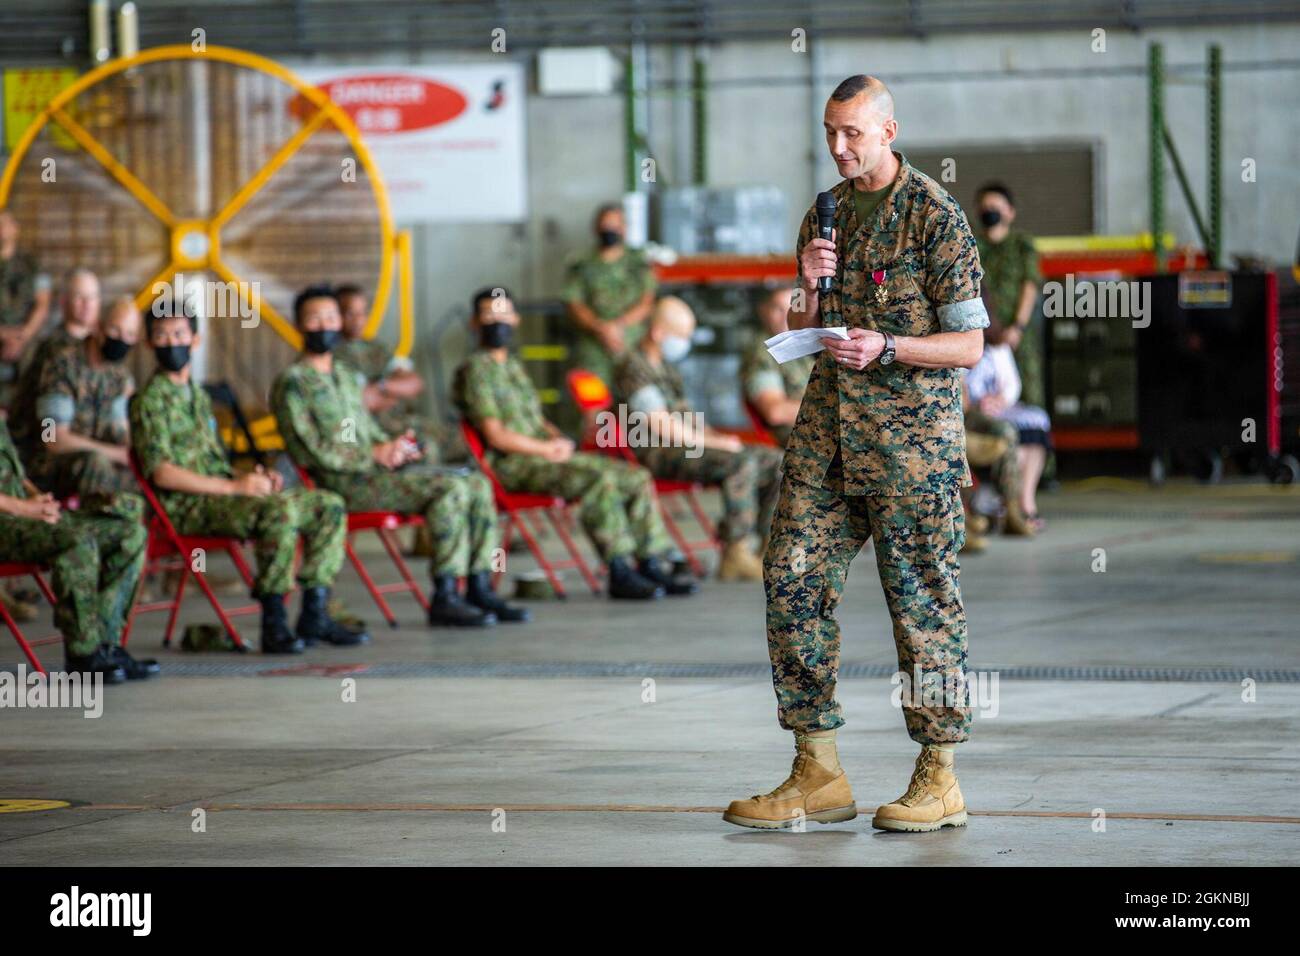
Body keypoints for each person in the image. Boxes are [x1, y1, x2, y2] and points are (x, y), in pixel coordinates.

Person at [725, 75, 987, 833]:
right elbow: (803, 318)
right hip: (826, 436)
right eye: (830, 132)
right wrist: (804, 290)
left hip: (910, 446)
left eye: (853, 134)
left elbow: (970, 343)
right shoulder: (826, 210)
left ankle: (939, 777)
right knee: (790, 576)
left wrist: (894, 345)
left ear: (889, 130)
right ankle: (817, 770)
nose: (839, 147)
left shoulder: (935, 217)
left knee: (921, 606)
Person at [272, 285, 528, 628]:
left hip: (375, 474)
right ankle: (445, 595)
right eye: (315, 319)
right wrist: (373, 454)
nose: (325, 326)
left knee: (477, 483)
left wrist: (396, 447)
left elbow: (366, 430)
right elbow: (311, 450)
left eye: (330, 318)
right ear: (299, 325)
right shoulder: (294, 383)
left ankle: (478, 586)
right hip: (339, 483)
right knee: (448, 490)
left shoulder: (345, 378)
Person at [129, 300, 367, 654]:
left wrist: (252, 478)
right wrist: (233, 487)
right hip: (185, 507)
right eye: (161, 336)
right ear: (149, 344)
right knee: (279, 513)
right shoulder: (149, 400)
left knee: (327, 505)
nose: (171, 343)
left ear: (195, 340)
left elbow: (212, 464)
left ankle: (315, 611)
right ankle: (274, 622)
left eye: (179, 334)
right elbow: (162, 473)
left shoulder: (196, 395)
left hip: (220, 495)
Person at [454, 287, 694, 600]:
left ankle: (650, 563)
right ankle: (619, 568)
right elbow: (496, 435)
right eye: (489, 316)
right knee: (600, 479)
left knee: (634, 476)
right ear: (475, 323)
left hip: (545, 455)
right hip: (513, 464)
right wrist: (546, 450)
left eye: (503, 315)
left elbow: (534, 420)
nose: (497, 323)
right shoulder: (477, 370)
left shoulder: (511, 366)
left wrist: (556, 438)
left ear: (515, 319)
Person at [612, 296, 783, 582]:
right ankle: (735, 552)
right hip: (657, 451)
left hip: (683, 446)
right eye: (682, 336)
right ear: (658, 333)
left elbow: (686, 419)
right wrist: (714, 443)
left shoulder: (664, 366)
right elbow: (661, 424)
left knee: (775, 461)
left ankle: (767, 546)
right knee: (738, 462)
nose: (686, 343)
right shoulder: (634, 367)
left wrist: (715, 437)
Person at [0, 416, 156, 683]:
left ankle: (107, 645)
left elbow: (13, 475)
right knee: (77, 540)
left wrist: (34, 497)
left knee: (129, 534)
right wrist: (25, 508)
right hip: (7, 525)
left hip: (22, 515)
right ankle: (82, 654)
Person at [24, 297, 141, 507]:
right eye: (115, 330)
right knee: (96, 463)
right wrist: (115, 454)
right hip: (47, 467)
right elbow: (51, 438)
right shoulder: (60, 363)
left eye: (130, 334)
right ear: (98, 327)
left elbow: (121, 432)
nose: (122, 339)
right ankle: (95, 533)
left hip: (97, 464)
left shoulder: (120, 378)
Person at [964, 323, 1050, 529]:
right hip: (970, 412)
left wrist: (999, 400)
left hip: (999, 406)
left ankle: (1025, 503)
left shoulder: (997, 344)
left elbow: (1012, 385)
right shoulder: (960, 339)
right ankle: (1008, 505)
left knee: (1036, 425)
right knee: (1007, 434)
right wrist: (977, 404)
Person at [563, 203, 656, 384]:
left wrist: (619, 326)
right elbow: (573, 303)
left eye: (614, 225)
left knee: (639, 404)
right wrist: (602, 329)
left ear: (624, 228)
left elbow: (647, 302)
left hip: (632, 346)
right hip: (592, 350)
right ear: (596, 228)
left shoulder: (638, 261)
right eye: (605, 225)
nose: (609, 230)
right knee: (593, 403)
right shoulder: (581, 263)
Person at [975, 182, 1043, 407]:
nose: (989, 211)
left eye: (996, 206)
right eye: (985, 206)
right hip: (982, 338)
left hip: (1017, 335)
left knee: (1028, 395)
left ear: (1010, 212)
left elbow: (1029, 284)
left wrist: (1018, 328)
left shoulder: (1021, 245)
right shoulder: (972, 246)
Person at [739, 285, 815, 445]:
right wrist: (831, 410)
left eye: (792, 307)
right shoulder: (762, 353)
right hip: (799, 439)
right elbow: (775, 411)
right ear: (763, 311)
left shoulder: (803, 344)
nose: (786, 315)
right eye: (778, 309)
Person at [0, 209, 52, 411]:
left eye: (5, 223)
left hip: (27, 343)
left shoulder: (32, 265)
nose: (1, 230)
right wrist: (4, 335)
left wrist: (22, 336)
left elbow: (42, 304)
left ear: (15, 229)